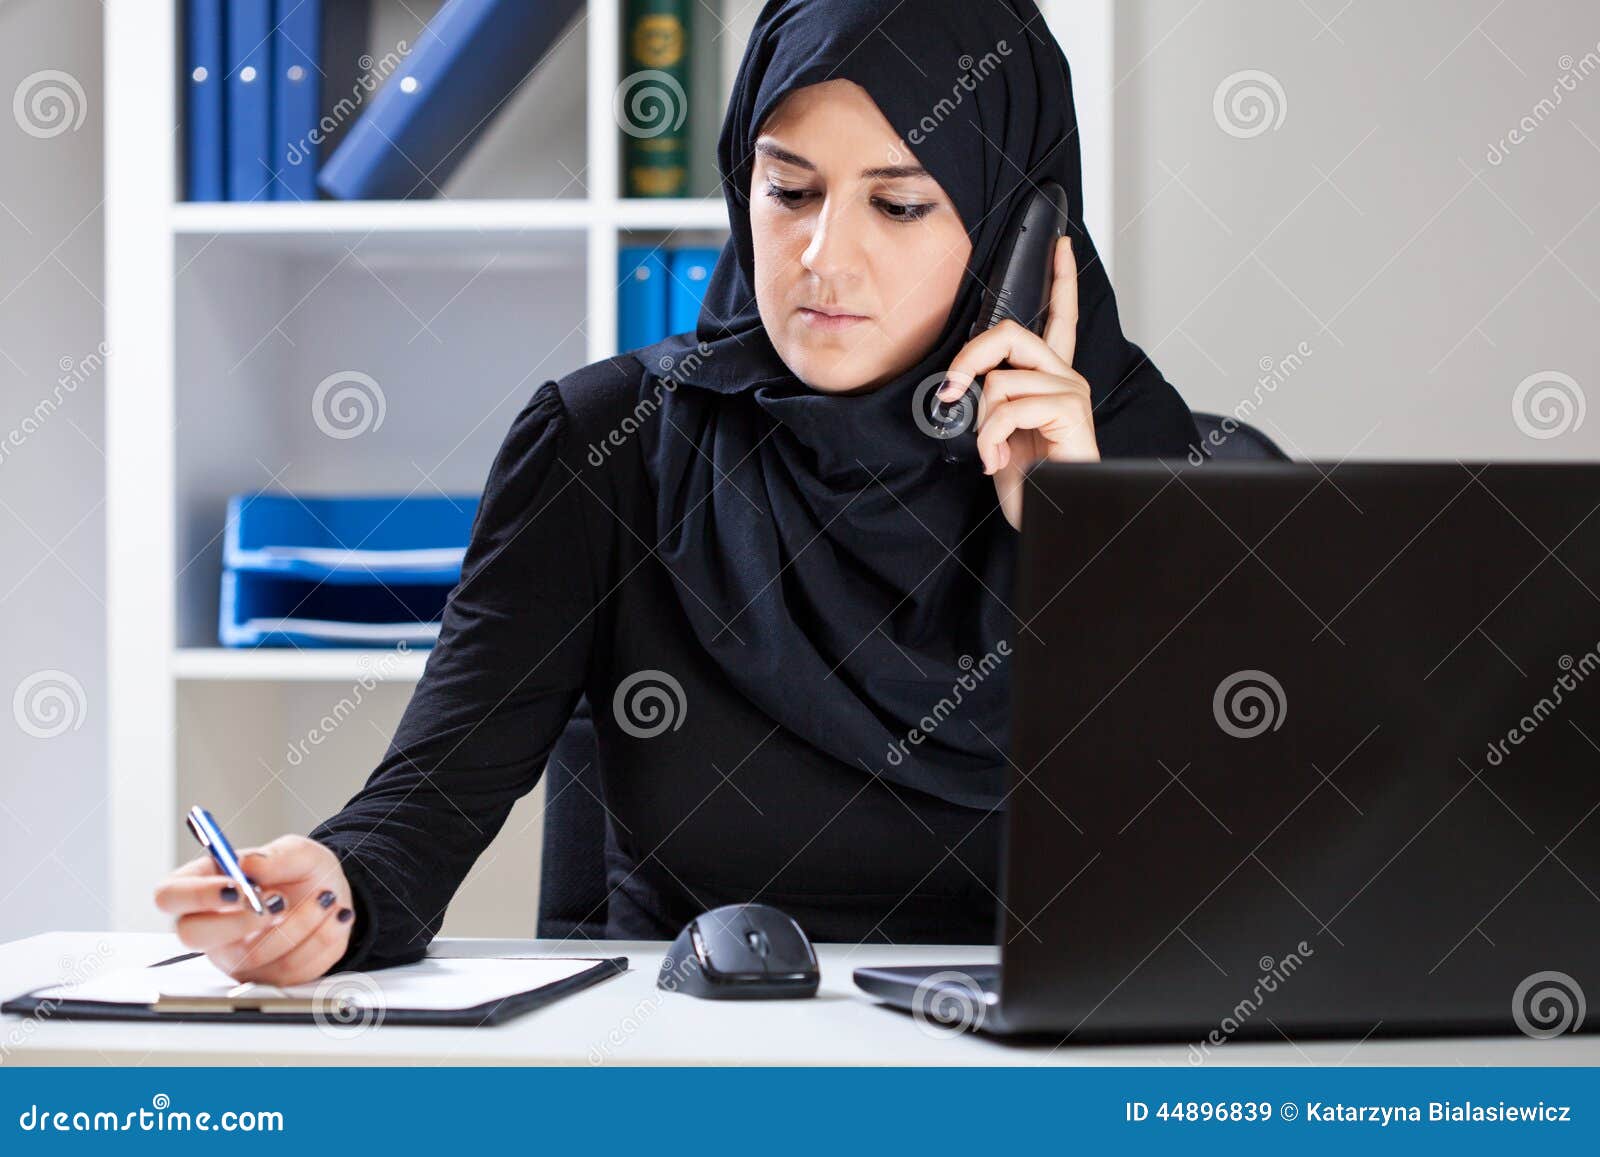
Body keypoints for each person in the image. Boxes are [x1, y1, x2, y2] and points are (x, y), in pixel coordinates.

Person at [153, 0, 1197, 986]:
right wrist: (327, 893)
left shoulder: (1154, 469)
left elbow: (1226, 868)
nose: (823, 257)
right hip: (687, 1050)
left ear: (1019, 230)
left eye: (899, 203)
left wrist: (1081, 543)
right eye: (788, 190)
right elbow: (425, 805)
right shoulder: (608, 444)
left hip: (1039, 1074)